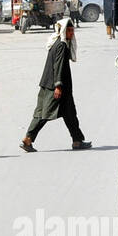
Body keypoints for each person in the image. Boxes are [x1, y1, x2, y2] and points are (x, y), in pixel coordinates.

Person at [21, 18, 91, 152]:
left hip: (52, 84)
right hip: (56, 86)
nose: (71, 33)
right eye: (69, 31)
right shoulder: (61, 45)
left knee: (69, 113)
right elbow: (57, 66)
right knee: (44, 114)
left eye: (72, 31)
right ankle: (28, 138)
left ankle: (77, 140)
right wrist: (58, 86)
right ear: (64, 31)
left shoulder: (56, 43)